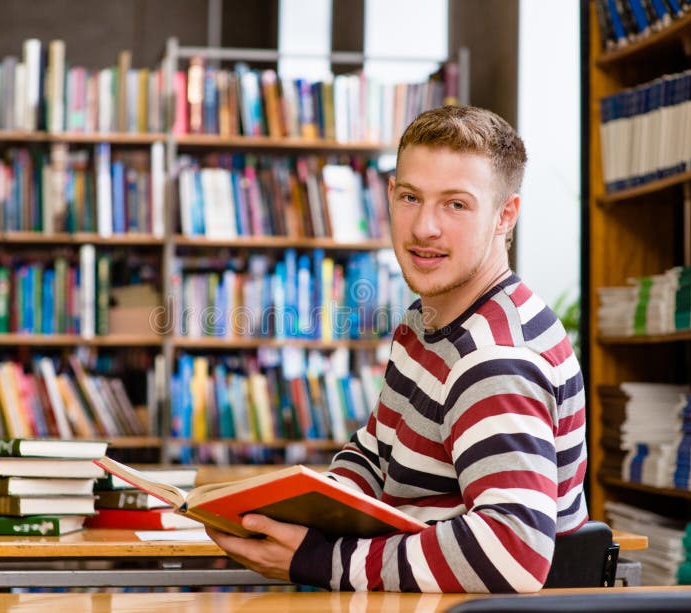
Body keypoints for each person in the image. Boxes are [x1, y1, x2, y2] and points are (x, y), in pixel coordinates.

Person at [206, 105, 588, 593]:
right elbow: (376, 449)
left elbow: (513, 552)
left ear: (504, 215)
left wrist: (321, 560)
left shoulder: (493, 358)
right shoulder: (426, 317)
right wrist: (310, 507)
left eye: (456, 204)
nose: (424, 227)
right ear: (390, 195)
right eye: (411, 197)